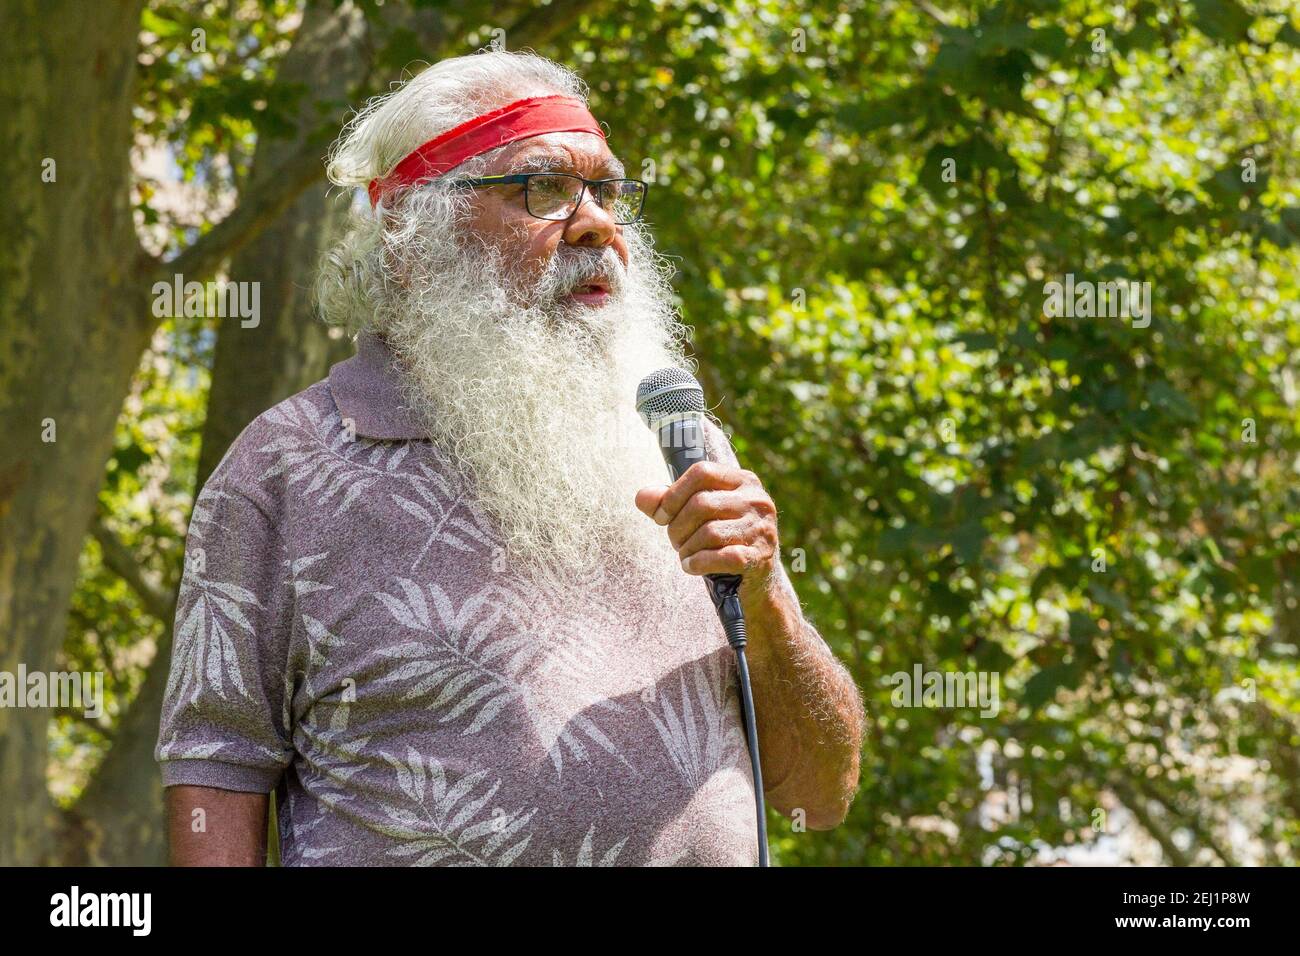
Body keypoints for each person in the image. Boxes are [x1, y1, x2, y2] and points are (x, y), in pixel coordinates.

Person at [157, 50, 864, 866]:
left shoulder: (681, 445)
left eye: (607, 190)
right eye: (545, 188)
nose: (598, 222)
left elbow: (820, 794)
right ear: (409, 234)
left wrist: (767, 595)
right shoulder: (283, 469)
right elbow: (216, 777)